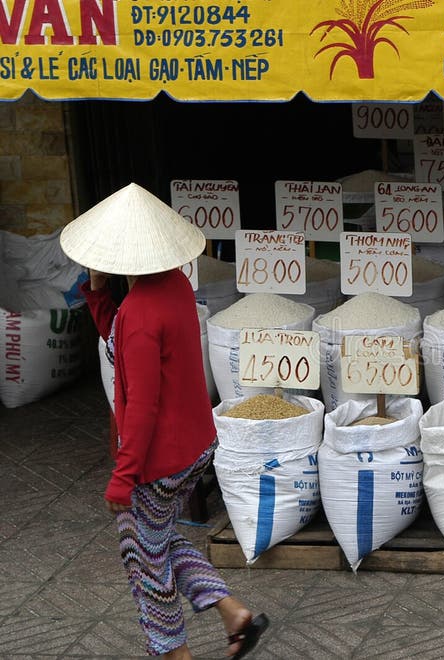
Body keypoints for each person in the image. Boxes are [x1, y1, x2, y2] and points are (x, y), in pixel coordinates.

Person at [60, 183, 268, 659]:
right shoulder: (172, 284)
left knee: (143, 560)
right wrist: (97, 293)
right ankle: (232, 612)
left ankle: (175, 654)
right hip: (194, 444)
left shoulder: (139, 313)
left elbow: (142, 407)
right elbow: (120, 340)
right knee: (155, 538)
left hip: (161, 458)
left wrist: (123, 477)